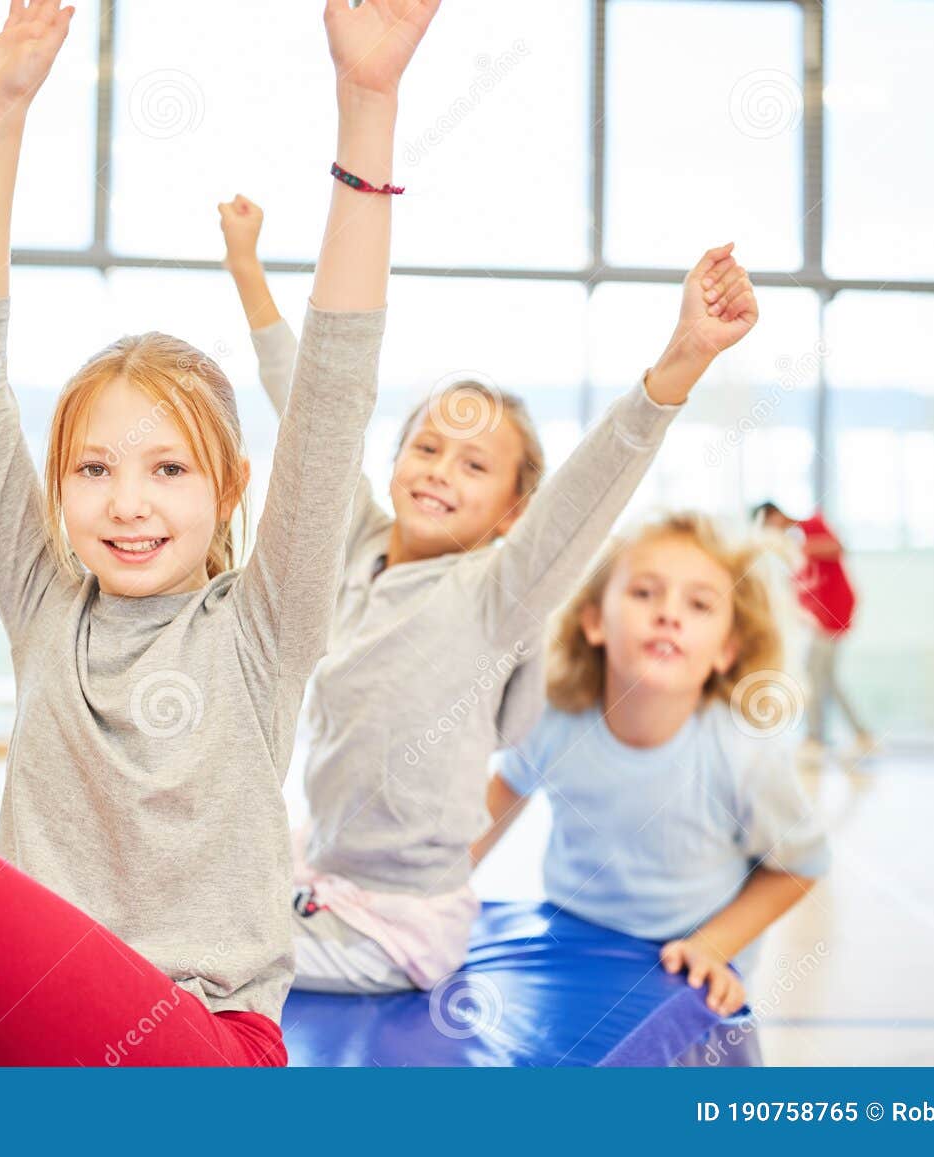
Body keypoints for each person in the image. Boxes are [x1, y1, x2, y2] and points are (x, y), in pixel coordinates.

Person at [0, 0, 442, 1066]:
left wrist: (368, 103)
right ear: (60, 489)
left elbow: (330, 393)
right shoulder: (46, 605)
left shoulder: (262, 627)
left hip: (200, 1056)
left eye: (167, 469)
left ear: (228, 491)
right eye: (94, 469)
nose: (128, 502)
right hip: (35, 1048)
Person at [220, 194, 759, 994]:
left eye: (474, 465)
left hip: (392, 924)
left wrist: (681, 361)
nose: (440, 468)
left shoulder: (499, 590)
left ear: (513, 511)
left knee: (191, 950)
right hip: (318, 871)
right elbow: (309, 410)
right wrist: (248, 272)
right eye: (428, 447)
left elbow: (589, 488)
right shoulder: (359, 540)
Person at [473, 511, 829, 1017]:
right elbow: (494, 805)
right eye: (644, 593)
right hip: (571, 945)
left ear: (726, 651)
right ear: (595, 621)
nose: (668, 614)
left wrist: (713, 946)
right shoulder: (555, 721)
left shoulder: (742, 753)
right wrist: (425, 891)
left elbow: (799, 866)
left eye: (700, 604)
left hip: (686, 967)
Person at [754, 501, 876, 762]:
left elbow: (837, 548)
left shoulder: (810, 526)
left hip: (834, 615)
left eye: (768, 525)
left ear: (775, 516)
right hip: (819, 621)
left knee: (816, 676)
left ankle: (816, 740)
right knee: (824, 678)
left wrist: (795, 547)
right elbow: (800, 588)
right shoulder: (789, 549)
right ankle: (858, 736)